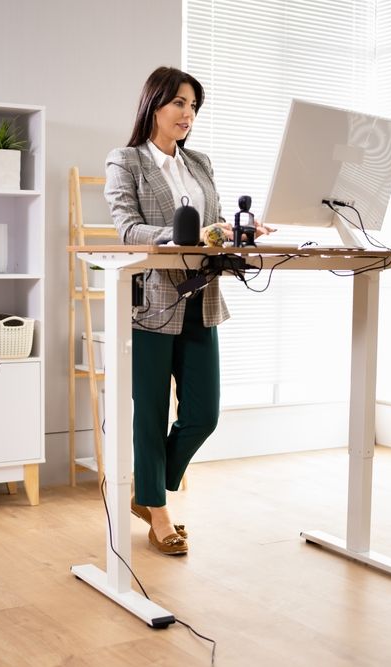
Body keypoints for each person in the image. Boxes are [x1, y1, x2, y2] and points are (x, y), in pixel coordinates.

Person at [103, 66, 272, 555]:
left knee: (203, 414)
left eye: (193, 106)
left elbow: (211, 225)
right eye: (179, 103)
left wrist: (236, 231)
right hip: (154, 302)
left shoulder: (200, 162)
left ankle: (148, 487)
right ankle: (157, 511)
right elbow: (126, 228)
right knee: (151, 413)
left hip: (203, 299)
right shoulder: (126, 161)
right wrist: (179, 235)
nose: (187, 114)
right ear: (154, 104)